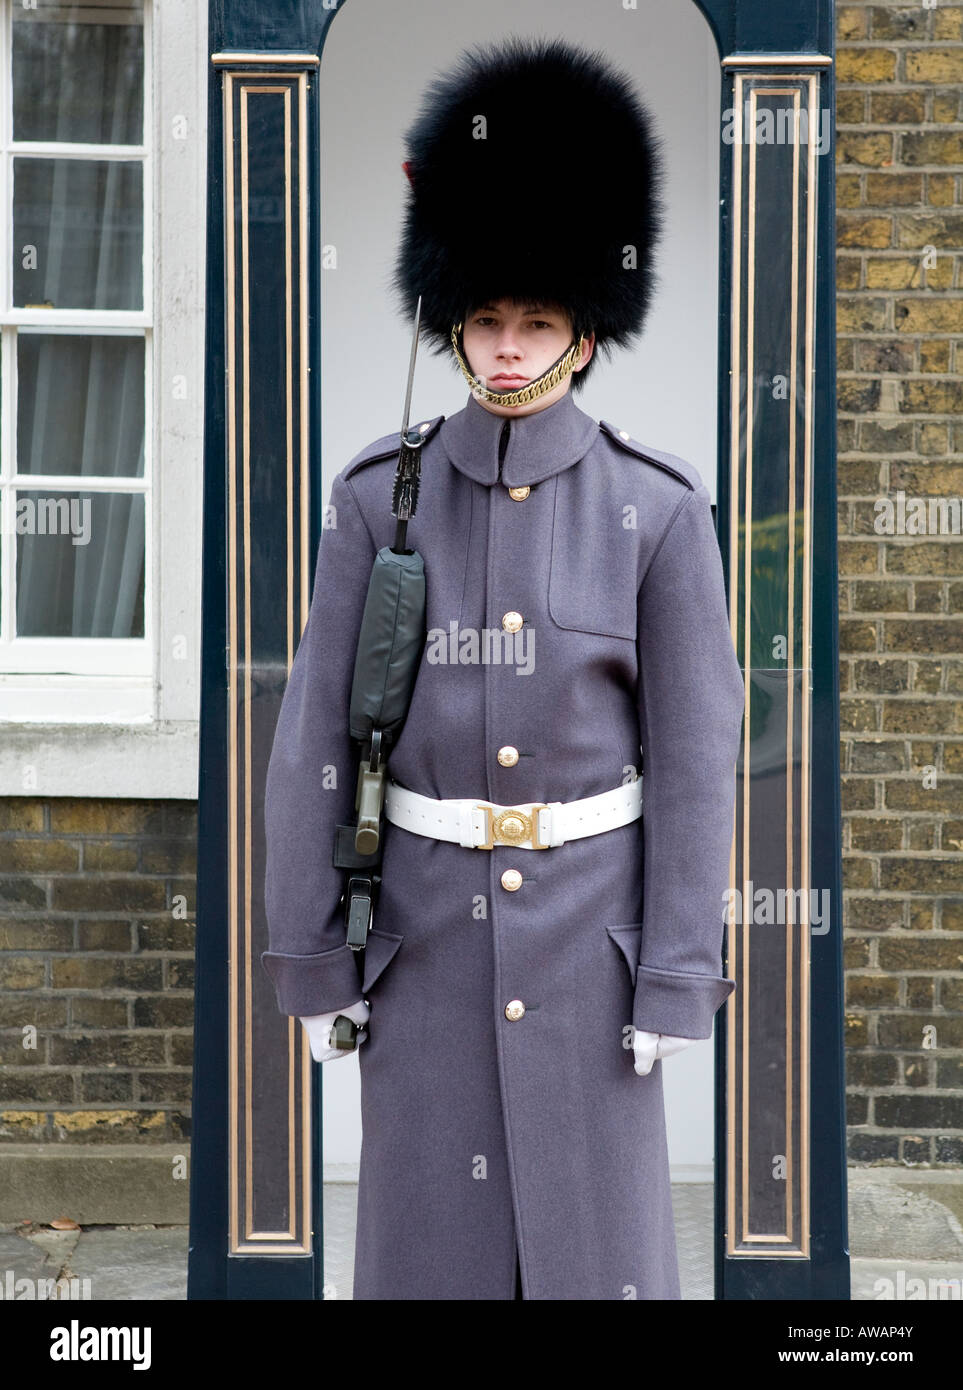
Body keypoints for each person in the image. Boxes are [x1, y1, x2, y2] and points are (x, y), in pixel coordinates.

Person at [261, 34, 745, 1301]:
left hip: (595, 958)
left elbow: (698, 761)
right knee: (431, 1261)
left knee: (595, 1268)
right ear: (455, 326)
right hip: (422, 948)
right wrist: (311, 958)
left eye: (538, 322)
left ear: (585, 334)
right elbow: (316, 733)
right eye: (488, 320)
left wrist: (679, 974)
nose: (511, 349)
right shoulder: (381, 498)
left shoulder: (660, 510)